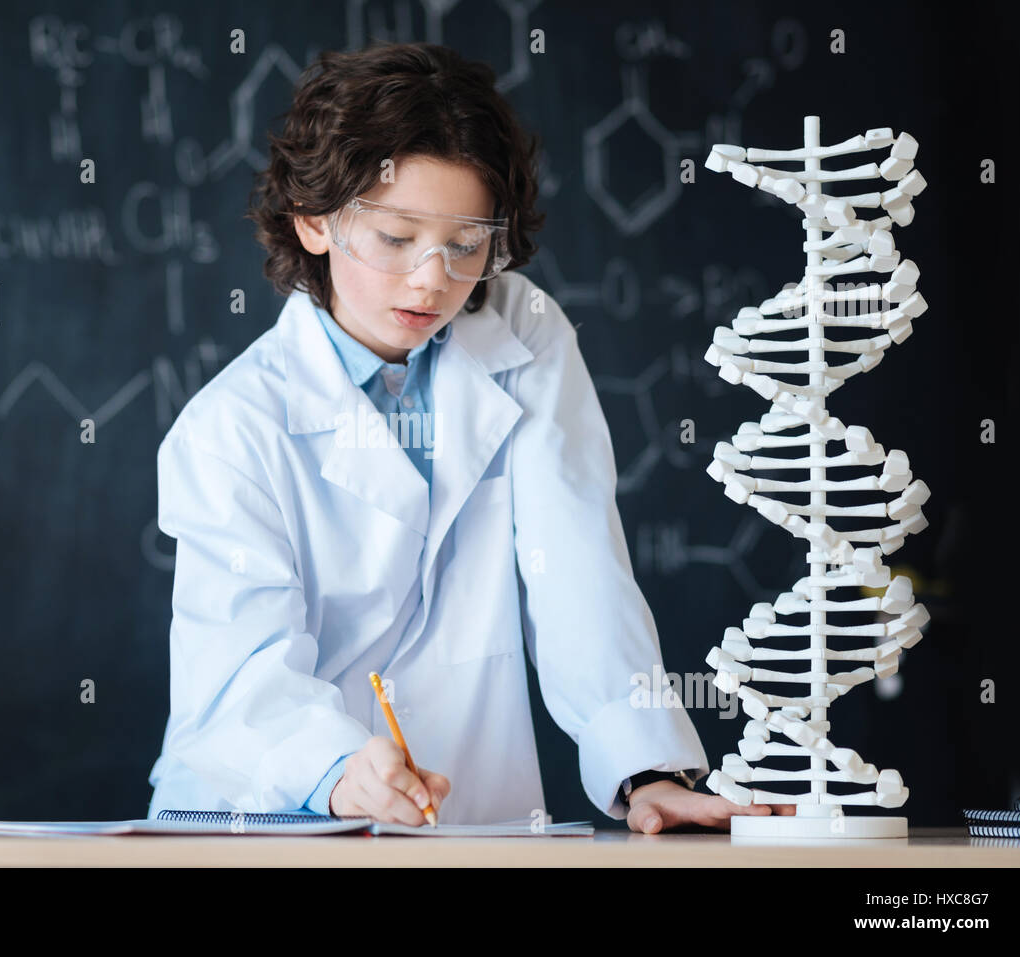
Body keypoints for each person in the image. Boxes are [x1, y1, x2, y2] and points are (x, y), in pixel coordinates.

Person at [146, 41, 795, 832]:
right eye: (395, 238)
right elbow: (240, 676)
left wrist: (644, 768)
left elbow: (578, 563)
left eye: (466, 243)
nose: (432, 278)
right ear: (314, 221)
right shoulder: (229, 427)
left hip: (467, 818)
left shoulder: (524, 331)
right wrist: (337, 768)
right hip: (266, 821)